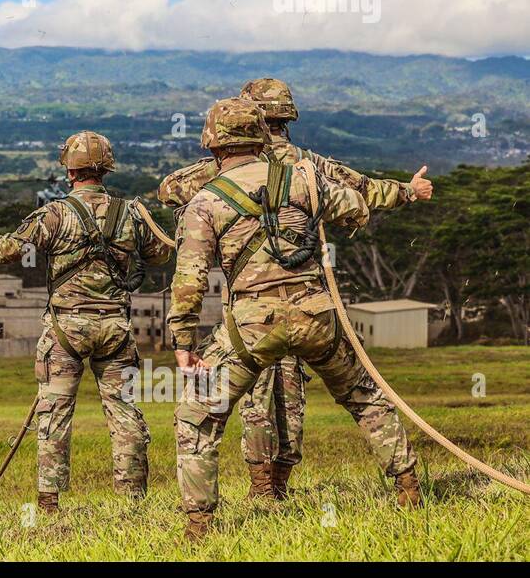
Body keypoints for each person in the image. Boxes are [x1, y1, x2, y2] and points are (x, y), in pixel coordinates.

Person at [158, 77, 433, 500]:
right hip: (314, 309)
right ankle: (409, 487)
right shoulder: (308, 169)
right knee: (360, 396)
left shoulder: (211, 185)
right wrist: (408, 192)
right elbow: (359, 197)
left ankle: (226, 509)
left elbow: (174, 212)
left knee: (210, 411)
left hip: (251, 321)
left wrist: (182, 339)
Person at [0, 132, 173, 511]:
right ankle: (133, 500)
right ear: (106, 168)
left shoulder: (54, 215)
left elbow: (6, 250)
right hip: (115, 328)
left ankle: (49, 503)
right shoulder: (131, 213)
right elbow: (161, 254)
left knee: (55, 414)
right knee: (126, 413)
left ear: (69, 169)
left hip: (66, 331)